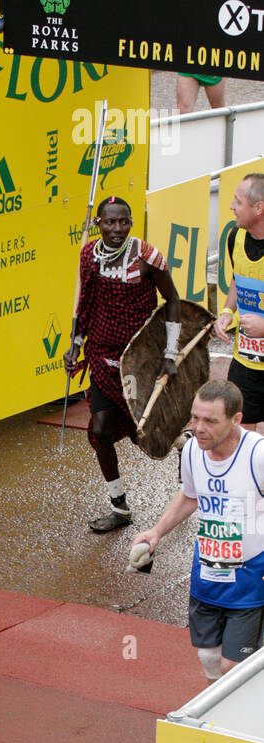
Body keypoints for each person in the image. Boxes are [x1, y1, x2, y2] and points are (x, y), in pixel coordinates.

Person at [132, 379, 264, 683]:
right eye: (195, 418)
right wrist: (156, 532)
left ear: (236, 420)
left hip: (251, 579)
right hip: (206, 573)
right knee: (209, 659)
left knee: (235, 670)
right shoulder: (192, 450)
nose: (199, 427)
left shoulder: (257, 455)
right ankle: (218, 724)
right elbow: (190, 495)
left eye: (210, 421)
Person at [64, 197, 180, 532]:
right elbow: (85, 304)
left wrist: (170, 354)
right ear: (98, 222)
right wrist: (75, 345)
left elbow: (172, 300)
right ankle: (119, 506)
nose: (117, 229)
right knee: (100, 429)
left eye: (124, 222)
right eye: (110, 222)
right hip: (101, 356)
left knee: (151, 433)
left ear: (131, 222)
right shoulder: (89, 255)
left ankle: (189, 462)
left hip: (138, 359)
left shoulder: (148, 257)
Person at [213, 171, 264, 432]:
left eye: (237, 201)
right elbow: (237, 279)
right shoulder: (236, 236)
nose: (231, 207)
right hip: (246, 360)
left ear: (259, 207)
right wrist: (226, 311)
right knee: (241, 436)